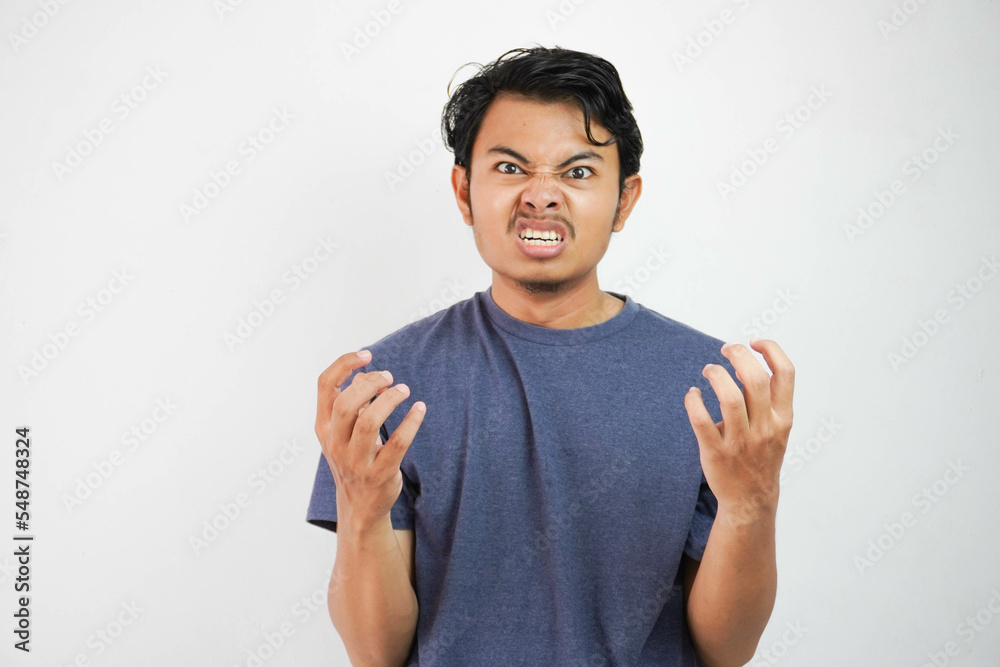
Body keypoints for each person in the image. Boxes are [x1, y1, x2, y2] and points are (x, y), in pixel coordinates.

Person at [307, 45, 795, 667]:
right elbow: (376, 653)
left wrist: (754, 501)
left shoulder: (714, 389)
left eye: (579, 172)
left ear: (624, 200)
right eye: (510, 169)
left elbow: (726, 650)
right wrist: (361, 505)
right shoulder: (382, 389)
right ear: (464, 191)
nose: (541, 196)